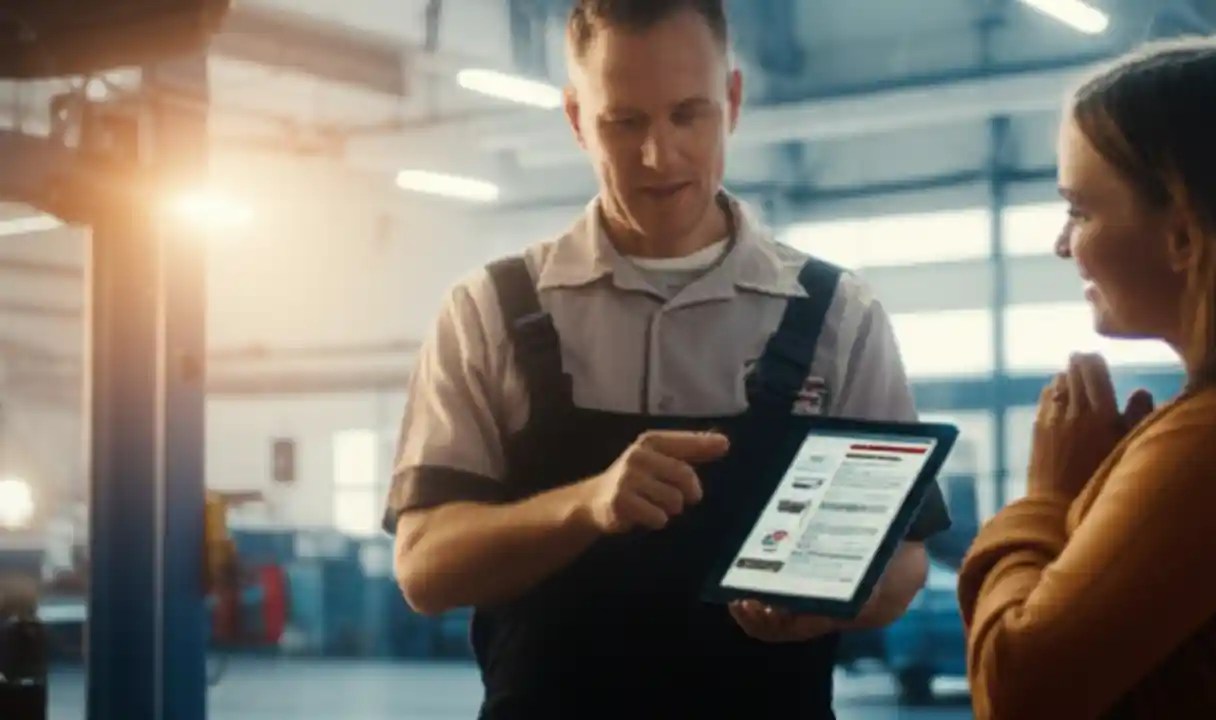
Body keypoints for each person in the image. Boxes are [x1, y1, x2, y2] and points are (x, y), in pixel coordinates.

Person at [383, 1, 951, 717]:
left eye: (689, 115)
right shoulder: (490, 312)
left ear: (733, 102)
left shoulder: (838, 316)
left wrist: (830, 608)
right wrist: (586, 506)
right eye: (625, 122)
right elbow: (425, 567)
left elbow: (901, 562)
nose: (660, 155)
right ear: (576, 119)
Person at [959, 38, 1216, 720]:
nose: (1061, 243)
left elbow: (1017, 691)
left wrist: (1047, 498)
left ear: (1185, 238)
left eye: (1080, 211)